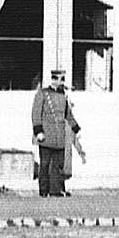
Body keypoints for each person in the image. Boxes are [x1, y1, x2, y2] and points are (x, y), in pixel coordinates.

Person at [31, 69, 84, 197]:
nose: (62, 82)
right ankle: (44, 191)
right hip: (46, 135)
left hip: (59, 136)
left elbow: (67, 114)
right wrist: (38, 131)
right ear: (54, 80)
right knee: (45, 164)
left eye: (63, 79)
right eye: (61, 79)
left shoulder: (62, 95)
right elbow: (36, 113)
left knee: (58, 164)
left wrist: (76, 128)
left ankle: (55, 190)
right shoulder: (43, 94)